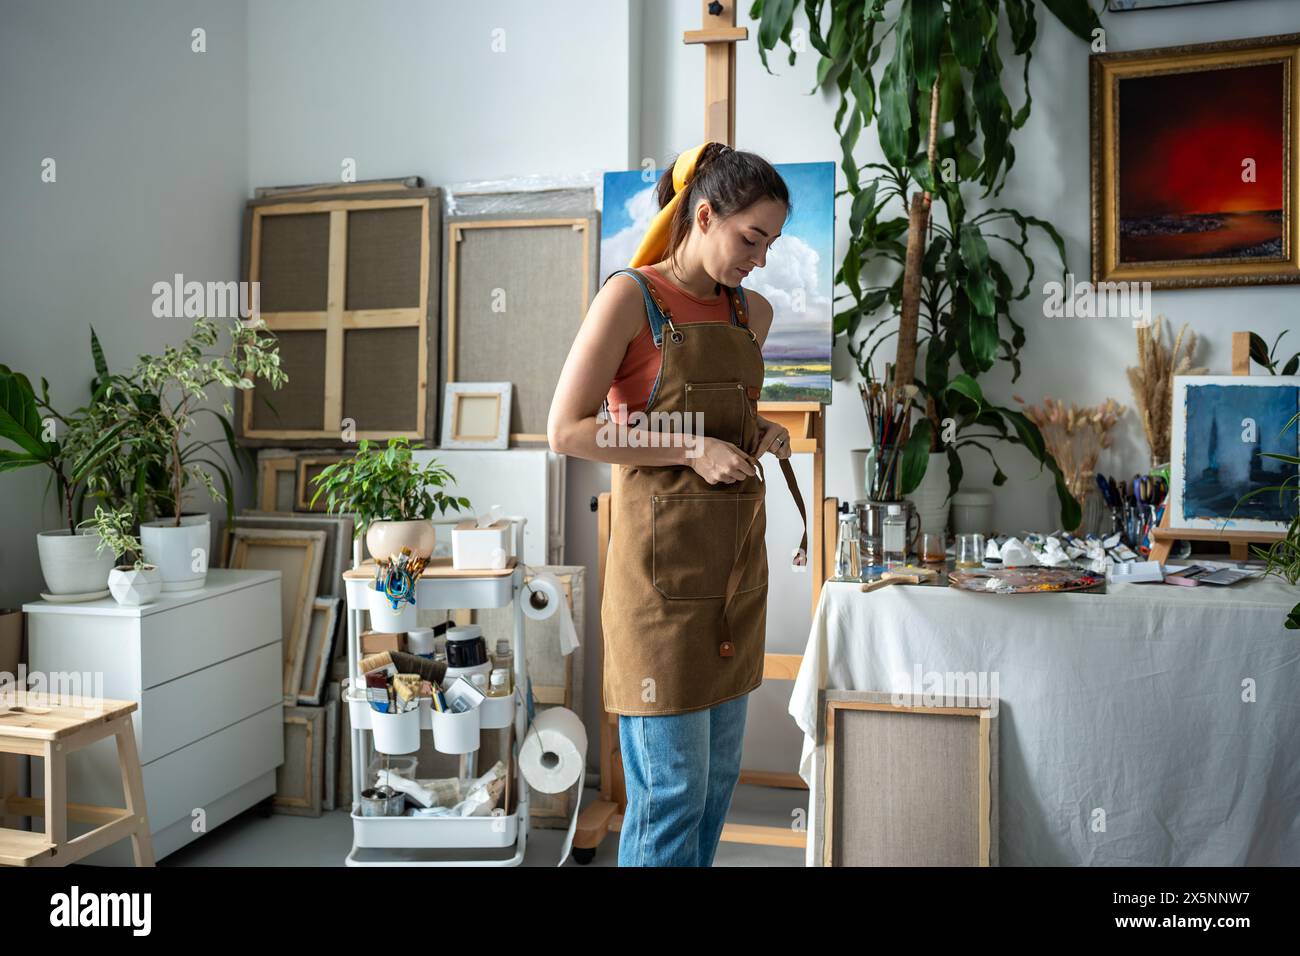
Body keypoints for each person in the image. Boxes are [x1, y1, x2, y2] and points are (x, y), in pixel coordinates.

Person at [548, 141, 808, 866]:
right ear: (702, 214)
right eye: (750, 238)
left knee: (714, 786)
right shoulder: (630, 298)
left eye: (771, 243)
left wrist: (756, 431)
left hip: (730, 579)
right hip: (657, 594)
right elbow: (566, 429)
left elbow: (725, 418)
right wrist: (694, 450)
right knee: (670, 797)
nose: (759, 260)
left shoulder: (751, 312)